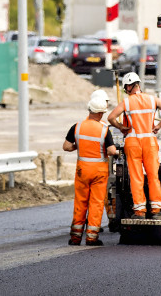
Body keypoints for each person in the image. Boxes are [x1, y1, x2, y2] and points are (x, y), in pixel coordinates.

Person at [107, 72, 161, 220]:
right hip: (150, 142)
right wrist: (159, 125)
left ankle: (139, 212)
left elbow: (111, 117)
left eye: (126, 87)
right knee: (153, 176)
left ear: (129, 86)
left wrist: (121, 127)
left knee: (136, 177)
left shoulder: (126, 102)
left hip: (133, 143)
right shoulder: (152, 100)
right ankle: (157, 211)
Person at [63, 89, 118, 246]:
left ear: (89, 110)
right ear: (101, 113)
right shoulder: (104, 130)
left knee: (80, 202)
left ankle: (75, 237)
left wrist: (77, 147)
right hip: (99, 172)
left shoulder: (77, 126)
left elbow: (66, 146)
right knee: (96, 203)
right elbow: (111, 151)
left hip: (82, 170)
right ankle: (91, 237)